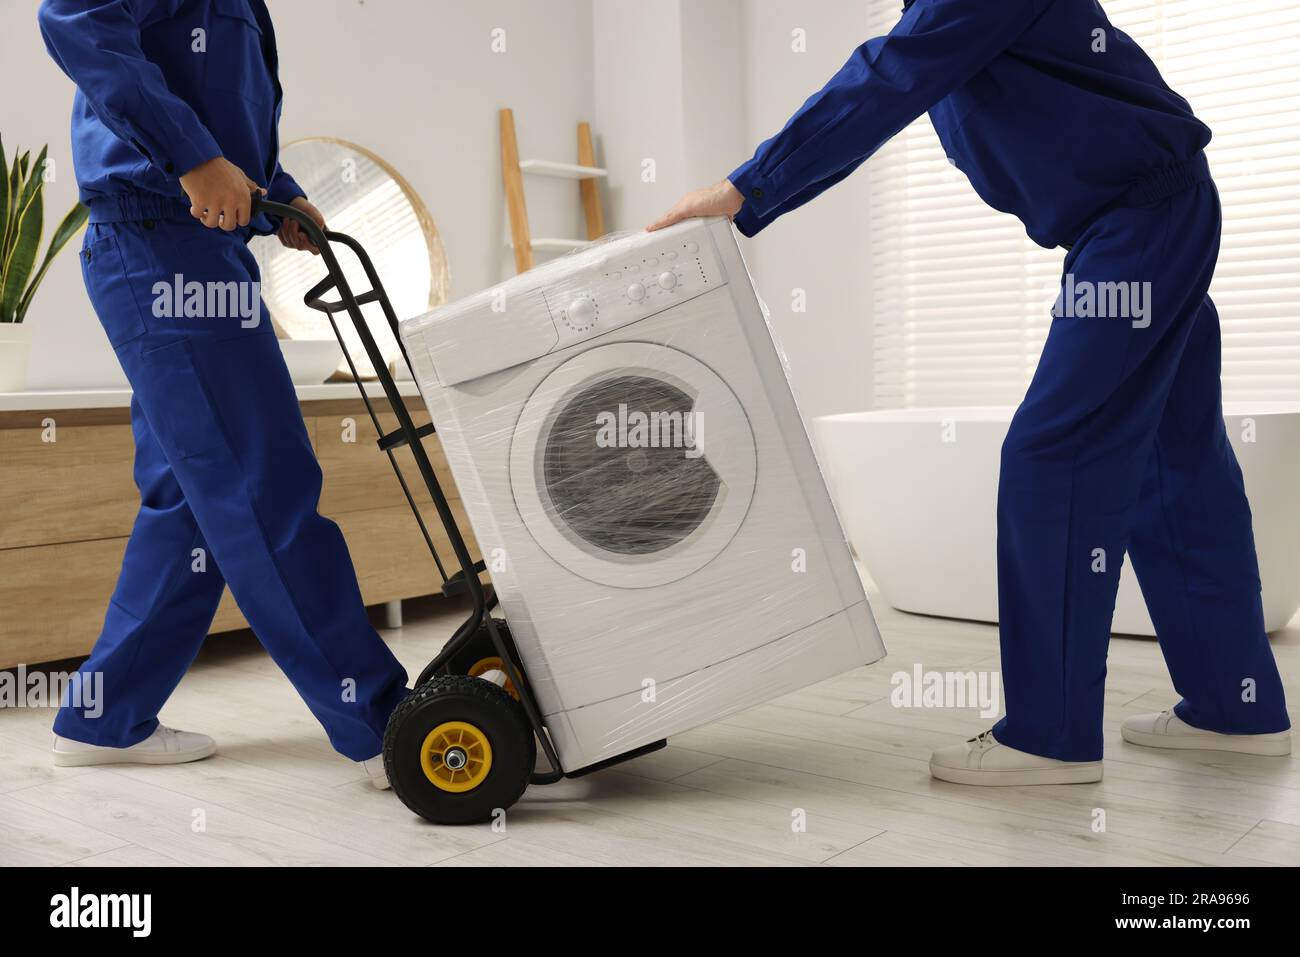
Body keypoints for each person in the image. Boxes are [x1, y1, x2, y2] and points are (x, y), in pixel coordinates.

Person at [651, 0, 1291, 784]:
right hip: (1150, 218)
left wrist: (746, 190)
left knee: (1054, 454)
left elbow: (884, 80)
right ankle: (1237, 708)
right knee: (1177, 463)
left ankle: (1049, 736)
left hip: (1140, 225)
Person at [38, 0, 408, 788]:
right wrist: (189, 156)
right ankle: (383, 724)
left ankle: (105, 715)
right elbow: (74, 19)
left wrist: (278, 191)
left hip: (197, 247)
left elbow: (209, 99)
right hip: (162, 244)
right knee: (258, 486)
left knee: (192, 499)